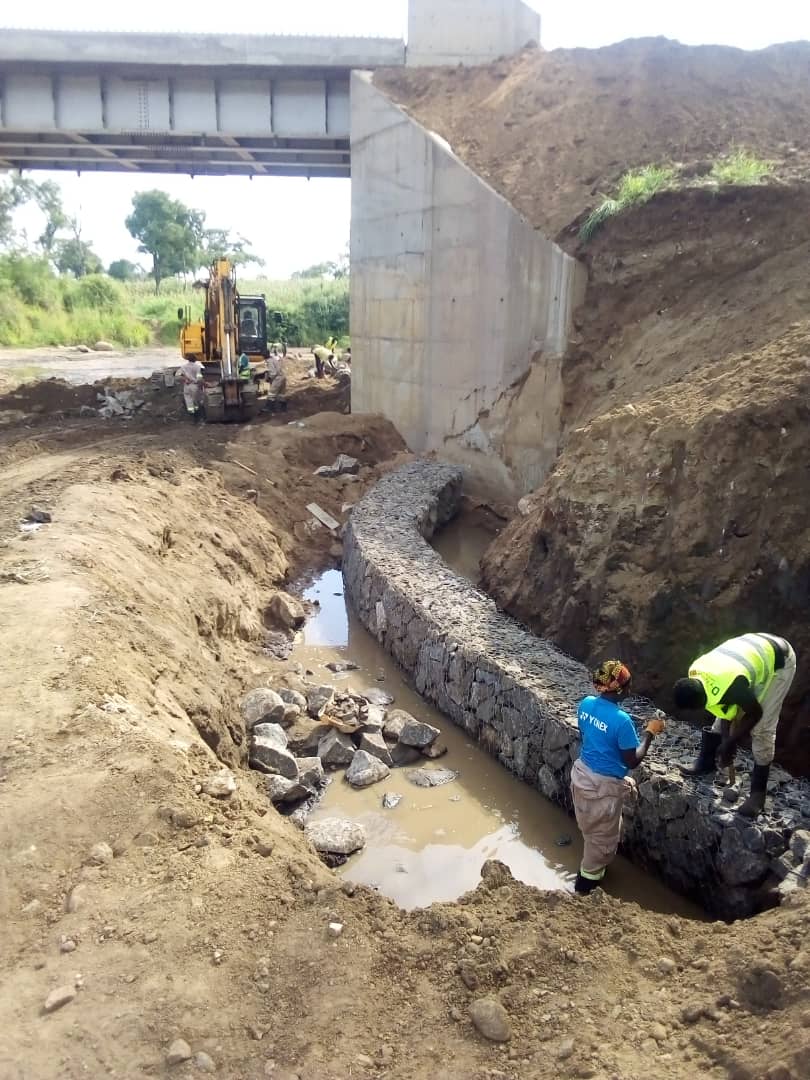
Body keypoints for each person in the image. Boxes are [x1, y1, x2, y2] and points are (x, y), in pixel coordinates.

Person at [674, 633, 796, 817]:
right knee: (721, 717)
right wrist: (725, 740)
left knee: (762, 729)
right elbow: (724, 711)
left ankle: (758, 795)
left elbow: (755, 712)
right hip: (748, 655)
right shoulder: (696, 674)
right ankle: (706, 764)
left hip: (779, 661)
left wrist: (731, 742)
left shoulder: (730, 686)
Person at [570, 660, 665, 895]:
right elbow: (632, 761)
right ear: (620, 689)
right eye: (628, 686)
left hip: (582, 776)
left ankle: (598, 870)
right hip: (602, 788)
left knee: (593, 831)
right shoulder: (622, 721)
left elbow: (588, 735)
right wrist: (649, 734)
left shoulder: (586, 704)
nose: (630, 691)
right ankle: (584, 890)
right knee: (599, 846)